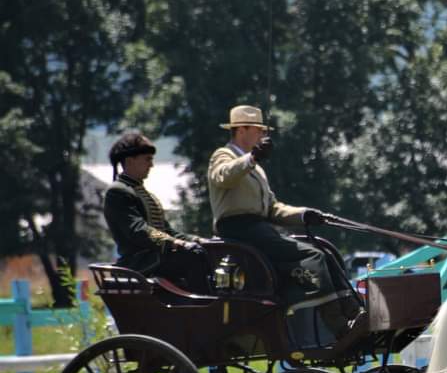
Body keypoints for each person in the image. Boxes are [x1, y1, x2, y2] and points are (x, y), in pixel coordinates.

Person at [207, 105, 361, 343]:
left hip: (258, 228)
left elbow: (272, 208)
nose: (263, 134)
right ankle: (338, 326)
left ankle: (354, 312)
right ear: (241, 130)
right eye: (258, 130)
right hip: (238, 228)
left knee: (325, 252)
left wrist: (303, 215)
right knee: (312, 257)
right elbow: (223, 176)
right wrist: (252, 158)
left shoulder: (256, 168)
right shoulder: (223, 155)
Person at [103, 131, 209, 289]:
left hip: (156, 258)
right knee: (192, 257)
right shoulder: (117, 192)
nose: (151, 165)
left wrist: (196, 240)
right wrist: (174, 243)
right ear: (130, 160)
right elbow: (138, 230)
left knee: (203, 252)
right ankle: (200, 301)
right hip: (139, 263)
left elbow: (166, 230)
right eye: (147, 159)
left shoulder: (143, 193)